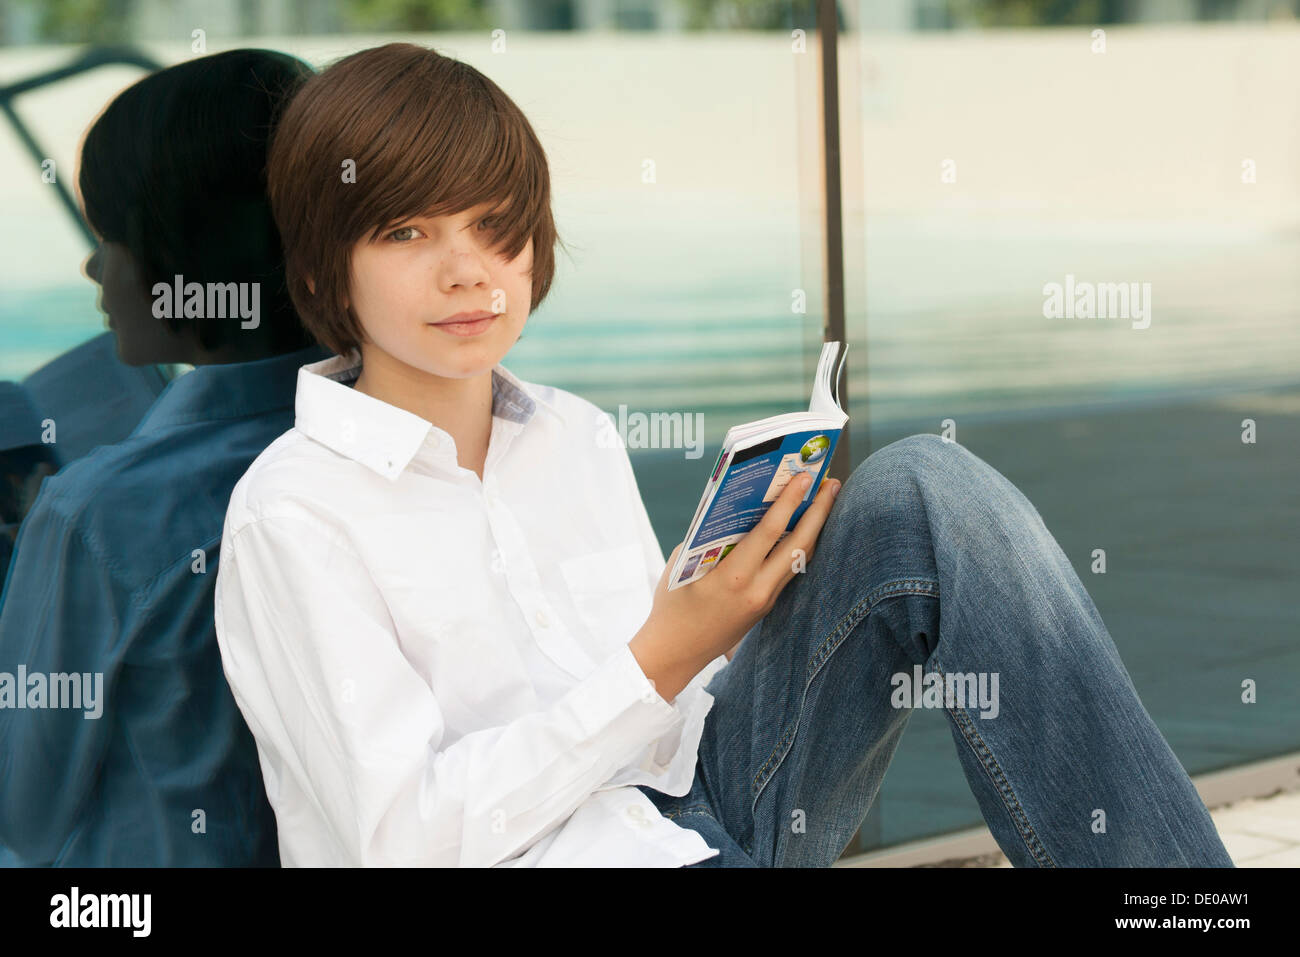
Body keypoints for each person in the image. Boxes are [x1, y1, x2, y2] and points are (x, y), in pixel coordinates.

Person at [213, 42, 1234, 867]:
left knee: (926, 494)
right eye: (406, 232)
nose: (467, 271)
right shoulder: (296, 515)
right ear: (324, 266)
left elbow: (671, 717)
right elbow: (398, 844)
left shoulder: (572, 436)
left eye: (495, 225)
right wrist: (662, 655)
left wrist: (759, 601)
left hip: (698, 813)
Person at [0, 49, 330, 867]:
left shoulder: (101, 510)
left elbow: (25, 808)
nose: (92, 263)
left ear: (179, 254)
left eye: (111, 237)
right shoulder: (415, 446)